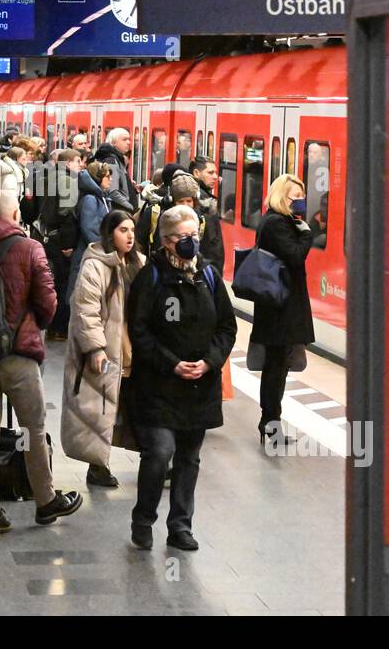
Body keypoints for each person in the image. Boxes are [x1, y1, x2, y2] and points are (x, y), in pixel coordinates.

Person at [0, 193, 81, 538]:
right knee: (32, 428)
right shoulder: (29, 248)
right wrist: (32, 325)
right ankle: (45, 500)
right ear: (15, 214)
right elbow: (48, 301)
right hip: (18, 354)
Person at [126, 205, 237, 551]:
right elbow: (139, 330)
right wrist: (172, 363)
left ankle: (180, 527)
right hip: (158, 386)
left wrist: (209, 361)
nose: (193, 243)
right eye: (186, 238)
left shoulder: (208, 276)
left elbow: (226, 326)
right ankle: (144, 518)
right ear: (168, 241)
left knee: (189, 457)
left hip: (199, 386)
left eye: (195, 236)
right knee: (159, 452)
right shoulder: (152, 278)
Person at [62, 209, 144, 488]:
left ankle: (153, 459)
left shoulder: (138, 263)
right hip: (109, 350)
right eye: (123, 230)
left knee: (136, 407)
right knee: (101, 409)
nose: (130, 235)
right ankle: (97, 466)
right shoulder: (94, 266)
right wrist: (95, 348)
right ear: (110, 234)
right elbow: (86, 309)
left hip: (134, 350)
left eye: (132, 230)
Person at [251, 174, 315, 446]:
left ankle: (270, 422)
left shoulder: (276, 221)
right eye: (295, 198)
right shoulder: (277, 224)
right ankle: (270, 424)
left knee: (277, 367)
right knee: (276, 369)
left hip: (279, 306)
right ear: (282, 197)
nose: (300, 203)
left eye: (302, 197)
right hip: (280, 308)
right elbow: (295, 256)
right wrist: (307, 233)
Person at [37, 149, 84, 340]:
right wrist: (68, 244)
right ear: (66, 164)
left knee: (53, 281)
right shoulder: (68, 181)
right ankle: (59, 327)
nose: (80, 164)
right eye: (77, 161)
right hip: (61, 240)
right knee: (64, 283)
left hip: (47, 234)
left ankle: (51, 325)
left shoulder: (45, 178)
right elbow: (66, 214)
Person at [69, 160, 112, 298]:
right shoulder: (90, 199)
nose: (110, 180)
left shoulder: (100, 197)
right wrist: (105, 246)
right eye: (107, 176)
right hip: (87, 254)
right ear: (98, 178)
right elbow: (90, 230)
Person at [189, 155, 225, 268]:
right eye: (210, 173)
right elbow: (210, 242)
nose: (215, 176)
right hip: (206, 266)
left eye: (215, 172)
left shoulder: (201, 197)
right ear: (196, 173)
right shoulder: (202, 202)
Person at [93, 128, 136, 212]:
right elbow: (112, 191)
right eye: (124, 139)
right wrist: (130, 207)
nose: (129, 142)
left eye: (129, 139)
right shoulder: (112, 160)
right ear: (113, 143)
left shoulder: (117, 158)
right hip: (119, 211)